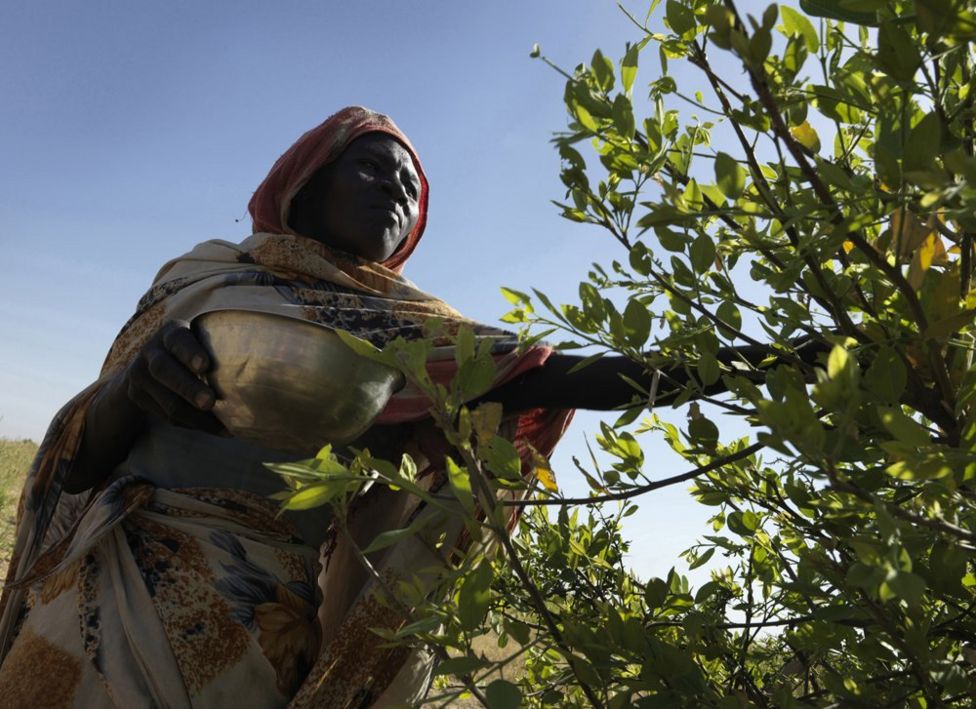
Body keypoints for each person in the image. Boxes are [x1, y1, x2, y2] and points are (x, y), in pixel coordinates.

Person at [0, 106, 818, 707]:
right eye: (371, 169)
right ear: (307, 183)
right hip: (92, 602)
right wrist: (128, 387)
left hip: (249, 639)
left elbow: (573, 375)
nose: (394, 194)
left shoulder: (413, 338)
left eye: (410, 190)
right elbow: (80, 459)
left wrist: (765, 362)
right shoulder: (202, 279)